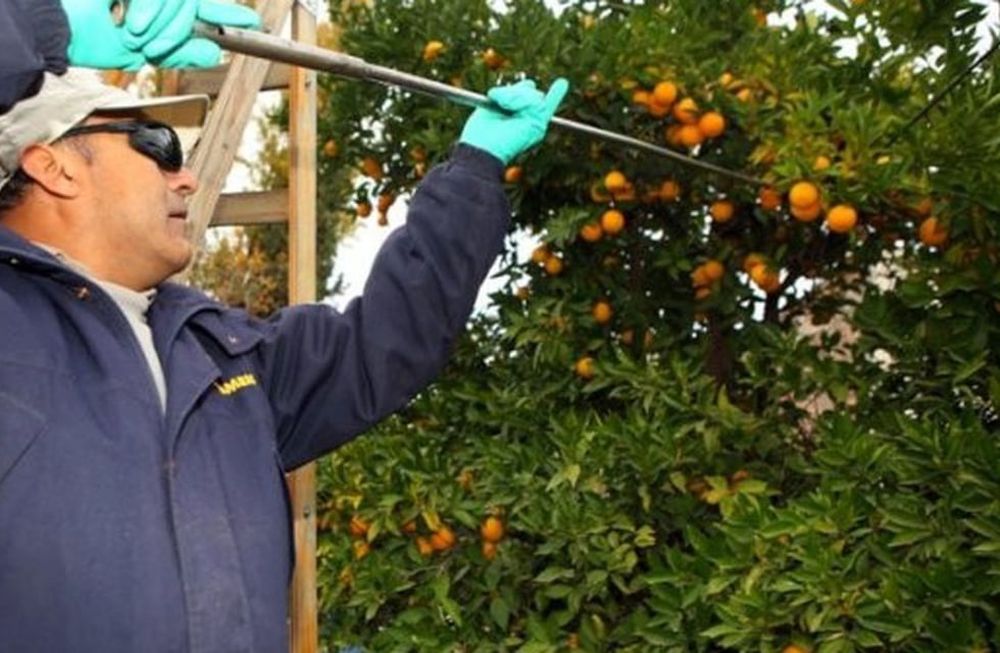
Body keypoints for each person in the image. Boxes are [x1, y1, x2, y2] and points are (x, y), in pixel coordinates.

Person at [0, 3, 569, 652]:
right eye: (158, 146)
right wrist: (46, 26)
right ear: (54, 166)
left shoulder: (221, 357)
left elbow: (387, 339)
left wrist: (475, 166)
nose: (184, 174)